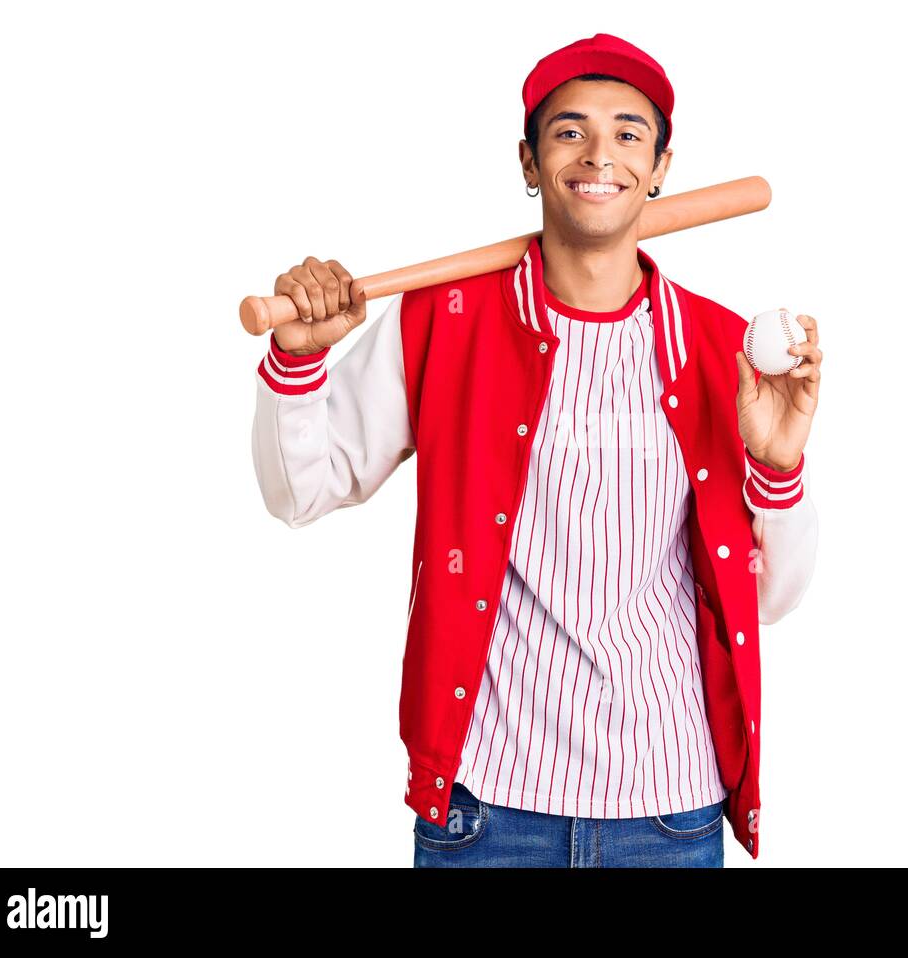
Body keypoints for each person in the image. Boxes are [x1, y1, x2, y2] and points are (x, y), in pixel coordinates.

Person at [250, 33, 822, 867]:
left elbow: (768, 599)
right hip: (486, 810)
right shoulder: (441, 320)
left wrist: (777, 469)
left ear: (661, 167)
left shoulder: (718, 347)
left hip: (670, 812)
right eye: (569, 131)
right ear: (529, 161)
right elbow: (300, 491)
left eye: (630, 134)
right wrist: (299, 360)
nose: (601, 154)